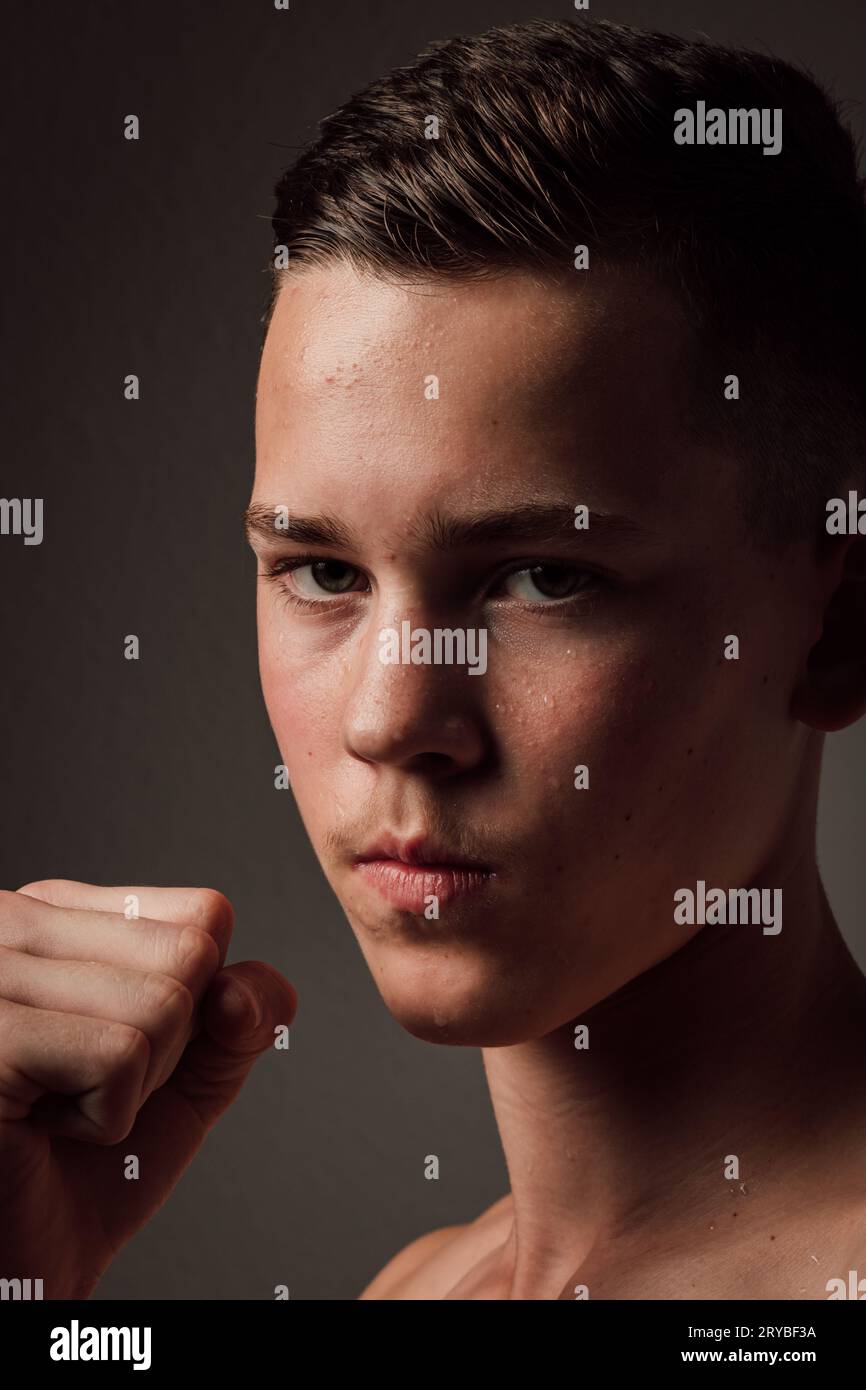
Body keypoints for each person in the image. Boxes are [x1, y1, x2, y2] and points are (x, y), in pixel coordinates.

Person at [3, 17, 866, 1301]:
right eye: (322, 572)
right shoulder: (420, 1286)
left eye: (544, 577)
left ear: (837, 627)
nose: (392, 716)